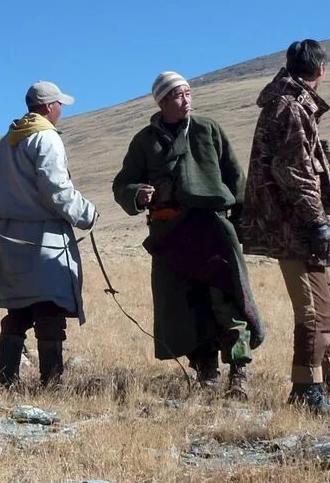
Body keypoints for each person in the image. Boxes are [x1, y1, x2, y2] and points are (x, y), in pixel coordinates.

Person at [112, 72, 263, 398]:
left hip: (212, 229)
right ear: (162, 101)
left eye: (188, 93)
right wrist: (138, 194)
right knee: (186, 306)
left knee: (228, 302)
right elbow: (122, 184)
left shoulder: (208, 129)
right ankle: (206, 374)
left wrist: (241, 223)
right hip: (172, 236)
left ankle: (239, 374)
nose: (187, 100)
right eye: (179, 95)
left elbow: (235, 178)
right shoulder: (144, 142)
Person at [244, 40, 330, 413]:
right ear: (321, 70)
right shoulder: (292, 107)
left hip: (296, 224)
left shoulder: (291, 103)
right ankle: (306, 389)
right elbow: (293, 171)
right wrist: (316, 221)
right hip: (293, 226)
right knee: (315, 309)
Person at [0, 81, 97, 388]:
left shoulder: (8, 140)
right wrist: (86, 214)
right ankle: (52, 383)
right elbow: (56, 190)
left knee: (19, 310)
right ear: (49, 107)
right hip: (44, 240)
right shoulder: (46, 138)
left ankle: (6, 379)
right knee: (49, 310)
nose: (62, 110)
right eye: (60, 104)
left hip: (11, 238)